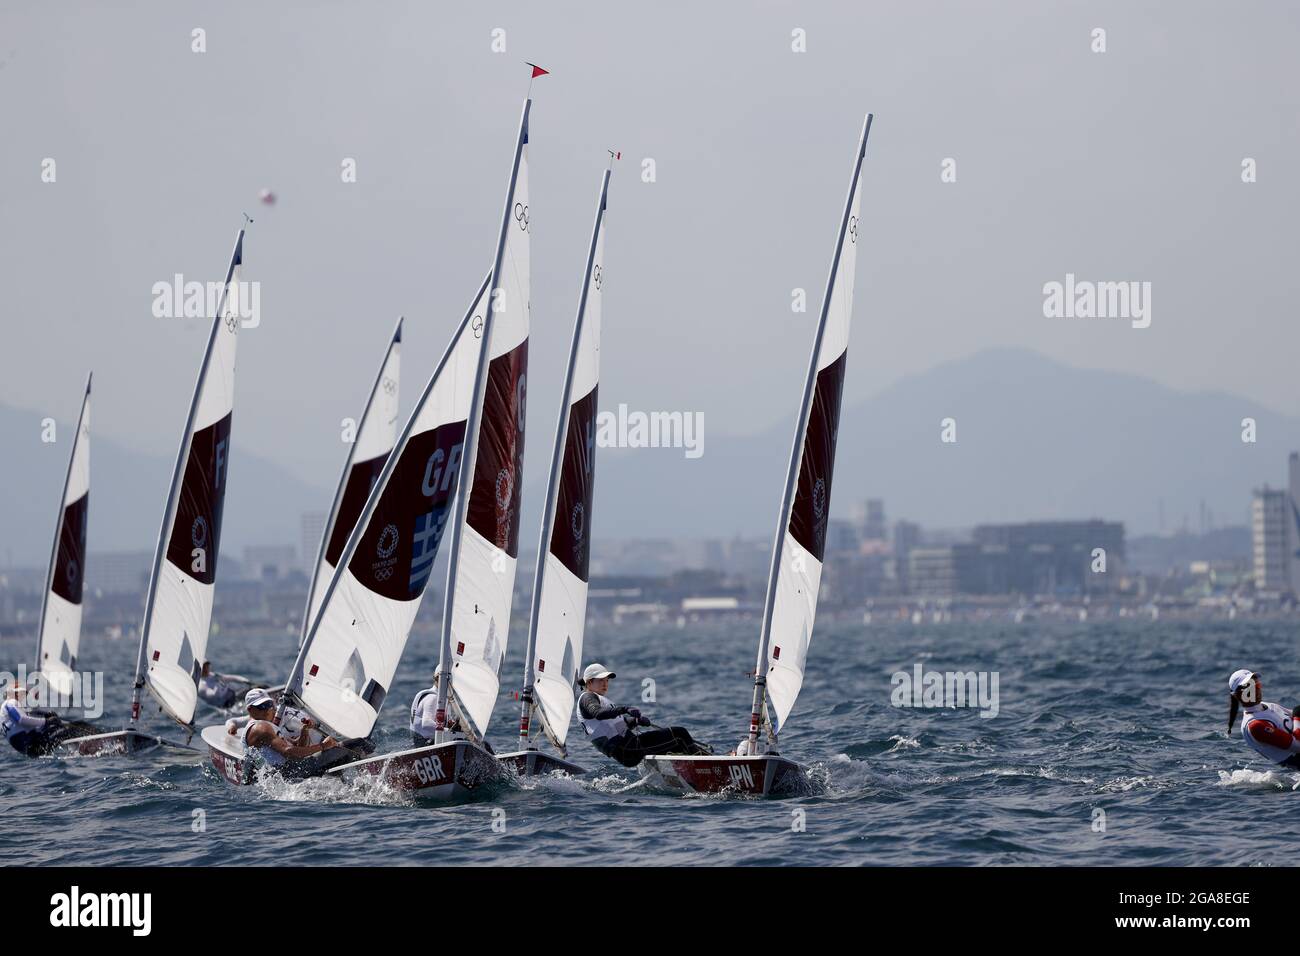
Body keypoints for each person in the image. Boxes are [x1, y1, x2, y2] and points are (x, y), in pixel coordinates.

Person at [576, 663, 710, 768]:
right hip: (627, 749)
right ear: (589, 683)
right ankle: (708, 764)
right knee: (680, 734)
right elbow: (598, 714)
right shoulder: (588, 698)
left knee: (676, 745)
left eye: (606, 680)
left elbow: (615, 726)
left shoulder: (597, 698)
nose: (605, 684)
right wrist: (625, 709)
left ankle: (695, 766)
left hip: (628, 748)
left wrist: (635, 721)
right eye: (600, 680)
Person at [237, 688, 339, 773]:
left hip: (288, 771)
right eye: (262, 706)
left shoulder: (268, 726)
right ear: (250, 709)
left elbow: (297, 748)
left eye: (269, 704)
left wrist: (305, 730)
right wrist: (323, 746)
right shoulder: (260, 728)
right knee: (339, 750)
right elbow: (289, 752)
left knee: (336, 752)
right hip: (283, 773)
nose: (268, 710)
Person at [1227, 669, 1300, 769]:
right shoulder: (1255, 726)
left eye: (1256, 686)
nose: (1254, 691)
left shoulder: (1268, 705)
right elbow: (1297, 746)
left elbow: (1297, 716)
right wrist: (1297, 716)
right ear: (1237, 696)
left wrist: (1297, 715)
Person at [409, 671, 494, 753]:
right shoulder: (432, 698)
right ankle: (498, 764)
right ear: (439, 678)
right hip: (427, 746)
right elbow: (426, 724)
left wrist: (452, 726)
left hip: (426, 745)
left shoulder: (441, 699)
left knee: (479, 744)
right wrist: (450, 731)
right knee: (483, 745)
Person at [2, 682, 65, 755]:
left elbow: (27, 726)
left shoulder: (6, 712)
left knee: (57, 729)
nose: (25, 695)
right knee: (70, 729)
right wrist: (46, 721)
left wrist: (45, 718)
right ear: (16, 694)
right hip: (33, 744)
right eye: (24, 693)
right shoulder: (10, 703)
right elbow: (21, 719)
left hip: (29, 749)